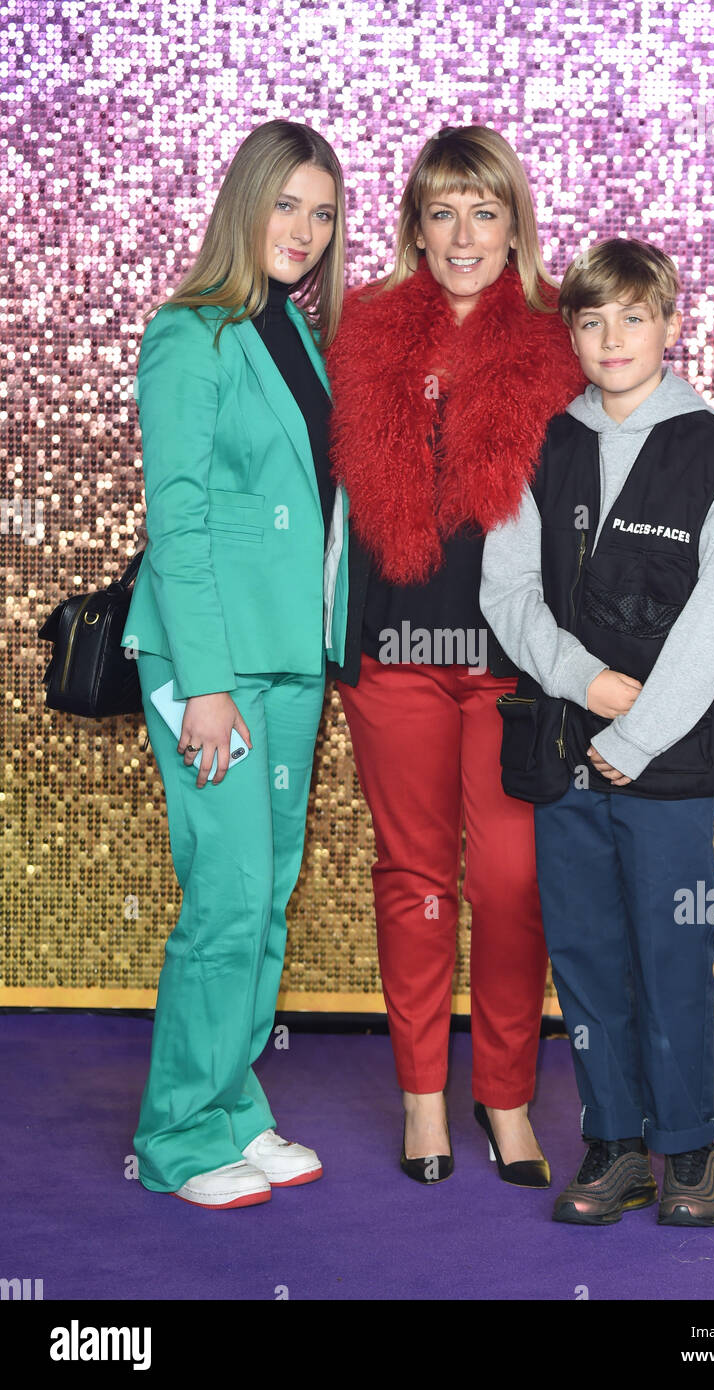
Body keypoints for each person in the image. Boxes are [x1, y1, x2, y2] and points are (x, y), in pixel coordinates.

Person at [480, 237, 714, 1225]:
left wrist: (633, 736)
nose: (610, 339)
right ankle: (612, 1141)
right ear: (572, 333)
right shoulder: (538, 444)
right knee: (587, 952)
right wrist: (584, 683)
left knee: (671, 952)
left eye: (631, 318)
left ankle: (684, 1149)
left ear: (669, 326)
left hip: (671, 764)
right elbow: (506, 592)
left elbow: (711, 627)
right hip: (562, 751)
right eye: (590, 321)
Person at [326, 126, 584, 1185]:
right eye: (442, 211)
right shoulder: (360, 331)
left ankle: (508, 1100)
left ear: (515, 223)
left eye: (484, 209)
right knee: (416, 877)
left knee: (514, 883)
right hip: (394, 648)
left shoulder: (561, 339)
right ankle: (423, 1098)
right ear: (414, 229)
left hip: (513, 661)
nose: (464, 232)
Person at [120, 119, 350, 1209]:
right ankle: (176, 1135)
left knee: (264, 901)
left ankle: (231, 1107)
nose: (302, 230)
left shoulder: (292, 334)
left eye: (320, 210)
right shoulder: (189, 332)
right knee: (222, 899)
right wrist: (203, 686)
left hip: (289, 661)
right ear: (244, 203)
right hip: (213, 666)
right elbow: (178, 521)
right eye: (285, 204)